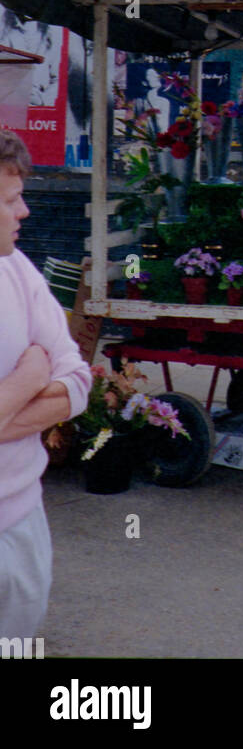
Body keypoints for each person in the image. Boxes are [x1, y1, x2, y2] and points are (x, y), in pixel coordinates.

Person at [0, 131, 91, 638]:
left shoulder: (19, 273)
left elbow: (77, 384)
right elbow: (53, 375)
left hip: (20, 522)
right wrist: (32, 376)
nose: (25, 212)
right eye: (12, 200)